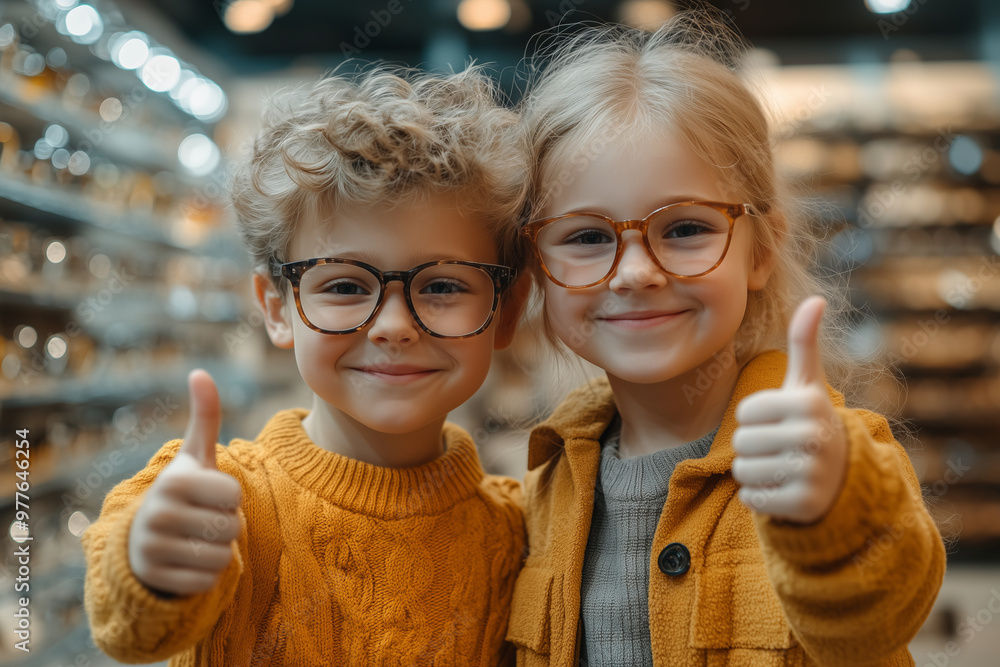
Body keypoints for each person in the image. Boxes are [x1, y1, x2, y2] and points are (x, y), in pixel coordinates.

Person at [505, 12, 946, 666]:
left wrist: (829, 508)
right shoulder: (545, 488)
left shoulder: (840, 454)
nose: (635, 273)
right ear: (537, 266)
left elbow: (879, 606)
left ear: (761, 249)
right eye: (587, 237)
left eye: (685, 228)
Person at [81, 64, 532, 666]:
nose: (394, 326)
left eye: (444, 286)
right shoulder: (222, 495)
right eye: (345, 287)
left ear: (506, 311)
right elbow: (131, 629)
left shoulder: (514, 530)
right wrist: (152, 561)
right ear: (277, 308)